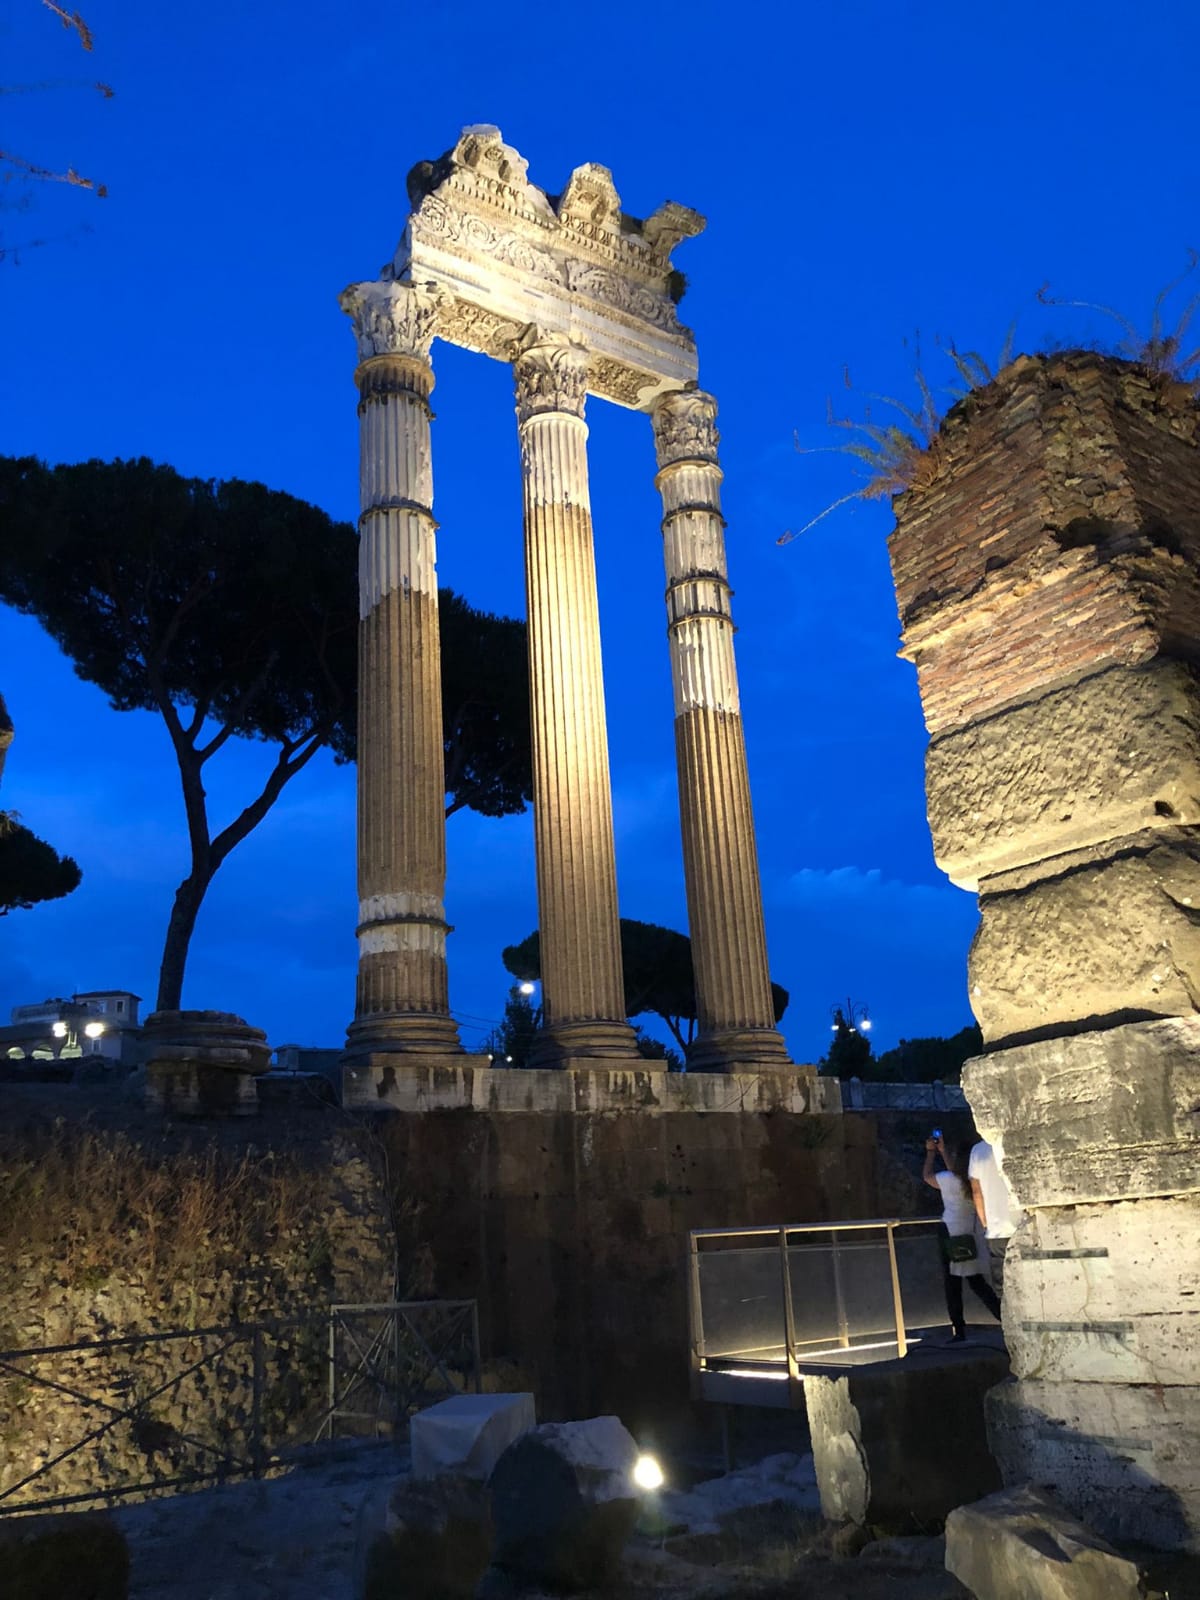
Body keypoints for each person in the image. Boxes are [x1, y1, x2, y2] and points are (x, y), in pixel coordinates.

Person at [923, 1133, 1001, 1344]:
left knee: (952, 1283)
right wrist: (943, 1152)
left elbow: (928, 1176)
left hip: (950, 1232)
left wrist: (931, 1153)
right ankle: (1003, 1317)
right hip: (970, 1233)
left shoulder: (949, 1180)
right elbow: (957, 1172)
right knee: (977, 1282)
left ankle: (958, 1329)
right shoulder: (971, 1180)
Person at [968, 1137, 1023, 1293]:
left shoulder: (978, 1151)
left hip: (996, 1227)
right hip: (1022, 1222)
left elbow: (976, 1191)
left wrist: (985, 1222)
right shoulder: (1015, 1142)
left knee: (1003, 1287)